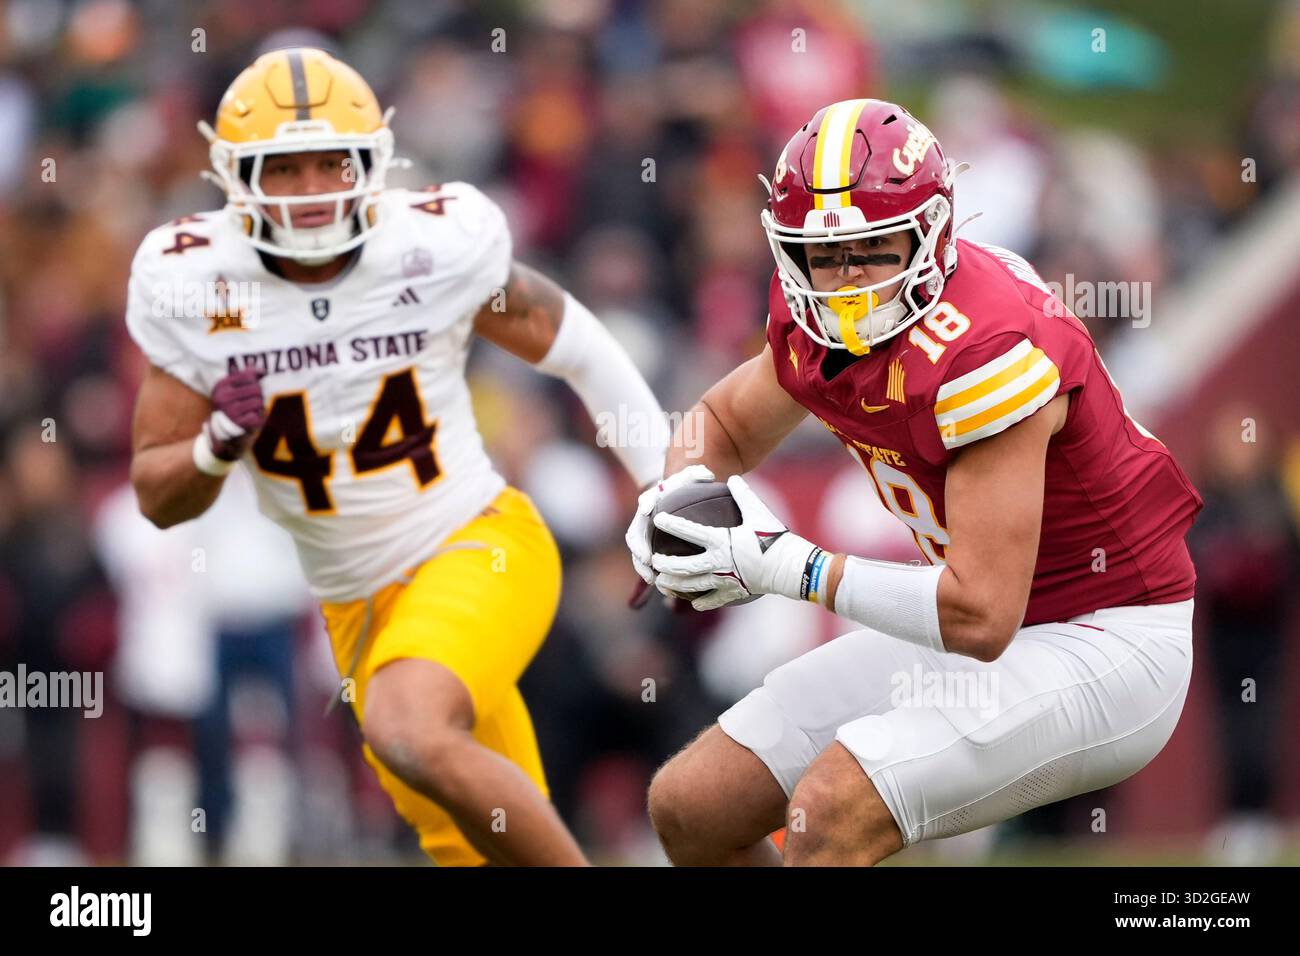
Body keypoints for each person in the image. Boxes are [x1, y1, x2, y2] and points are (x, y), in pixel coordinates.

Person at [125, 47, 667, 866]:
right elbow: (157, 494)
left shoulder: (429, 246)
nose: (312, 193)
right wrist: (213, 447)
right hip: (359, 610)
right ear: (237, 177)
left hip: (477, 546)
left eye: (329, 165)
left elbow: (579, 348)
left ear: (370, 162)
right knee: (479, 848)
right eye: (284, 169)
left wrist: (666, 486)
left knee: (407, 727)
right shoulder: (199, 284)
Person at [627, 98, 1203, 866]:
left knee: (829, 811)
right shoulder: (812, 319)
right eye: (821, 257)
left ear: (930, 234)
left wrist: (786, 566)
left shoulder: (985, 348)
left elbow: (980, 614)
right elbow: (723, 426)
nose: (844, 282)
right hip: (983, 628)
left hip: (1106, 634)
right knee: (693, 806)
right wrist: (671, 503)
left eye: (870, 250)